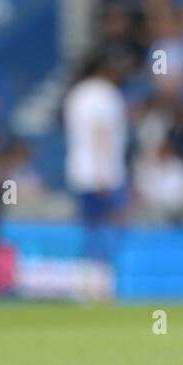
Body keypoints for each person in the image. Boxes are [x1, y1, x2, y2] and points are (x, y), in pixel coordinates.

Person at [63, 48, 130, 236]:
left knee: (89, 230)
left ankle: (93, 264)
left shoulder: (76, 93)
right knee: (110, 233)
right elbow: (100, 134)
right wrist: (103, 176)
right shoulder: (105, 94)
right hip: (103, 177)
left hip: (79, 173)